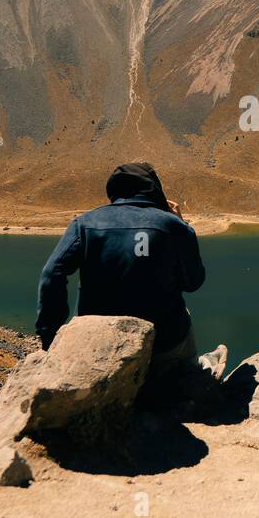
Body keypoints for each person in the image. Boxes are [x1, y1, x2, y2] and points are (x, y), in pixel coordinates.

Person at [35, 162, 225, 386]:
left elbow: (51, 274)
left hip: (97, 345)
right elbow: (193, 282)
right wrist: (182, 225)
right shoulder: (173, 226)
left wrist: (50, 338)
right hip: (160, 344)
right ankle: (191, 372)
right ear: (155, 190)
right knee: (182, 315)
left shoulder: (84, 223)